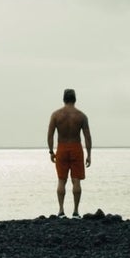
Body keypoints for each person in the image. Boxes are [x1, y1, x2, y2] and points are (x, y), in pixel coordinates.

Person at [47, 88, 91, 217]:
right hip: (76, 147)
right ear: (75, 99)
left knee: (61, 180)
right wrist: (89, 154)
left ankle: (61, 211)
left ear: (64, 99)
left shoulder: (56, 115)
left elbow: (50, 135)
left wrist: (51, 151)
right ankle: (76, 212)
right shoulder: (81, 116)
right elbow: (87, 136)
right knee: (76, 181)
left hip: (61, 148)